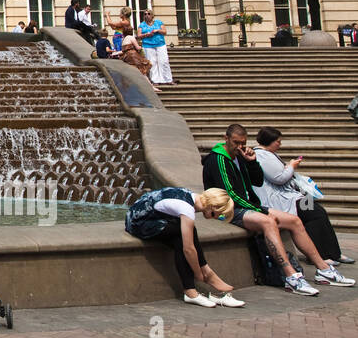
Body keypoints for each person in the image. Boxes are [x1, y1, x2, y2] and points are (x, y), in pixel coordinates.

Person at [202, 123, 353, 293]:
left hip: (246, 205)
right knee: (268, 222)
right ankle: (291, 276)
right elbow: (231, 195)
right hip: (225, 210)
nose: (239, 147)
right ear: (226, 139)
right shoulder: (218, 159)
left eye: (242, 143)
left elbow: (257, 181)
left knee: (295, 221)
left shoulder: (241, 156)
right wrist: (260, 210)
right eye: (235, 142)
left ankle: (324, 269)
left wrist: (251, 163)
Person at [124, 186, 244, 306]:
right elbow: (189, 249)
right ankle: (204, 278)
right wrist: (198, 273)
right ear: (213, 207)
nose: (218, 218)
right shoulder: (187, 208)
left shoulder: (192, 197)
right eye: (220, 214)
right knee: (184, 236)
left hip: (148, 216)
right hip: (137, 222)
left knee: (183, 235)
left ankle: (191, 291)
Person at [253, 127, 353, 267]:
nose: (280, 145)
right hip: (280, 198)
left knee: (319, 212)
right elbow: (279, 178)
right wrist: (292, 166)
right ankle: (320, 255)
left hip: (290, 195)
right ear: (269, 141)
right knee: (314, 214)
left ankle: (334, 252)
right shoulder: (262, 155)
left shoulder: (269, 154)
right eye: (278, 142)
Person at [138, 9, 174, 85]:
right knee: (152, 63)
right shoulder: (142, 25)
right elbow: (139, 36)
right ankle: (155, 80)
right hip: (148, 45)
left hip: (160, 44)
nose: (147, 15)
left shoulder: (158, 22)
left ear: (152, 15)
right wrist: (146, 35)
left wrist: (157, 30)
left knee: (164, 61)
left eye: (148, 14)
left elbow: (164, 32)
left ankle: (168, 79)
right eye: (145, 14)